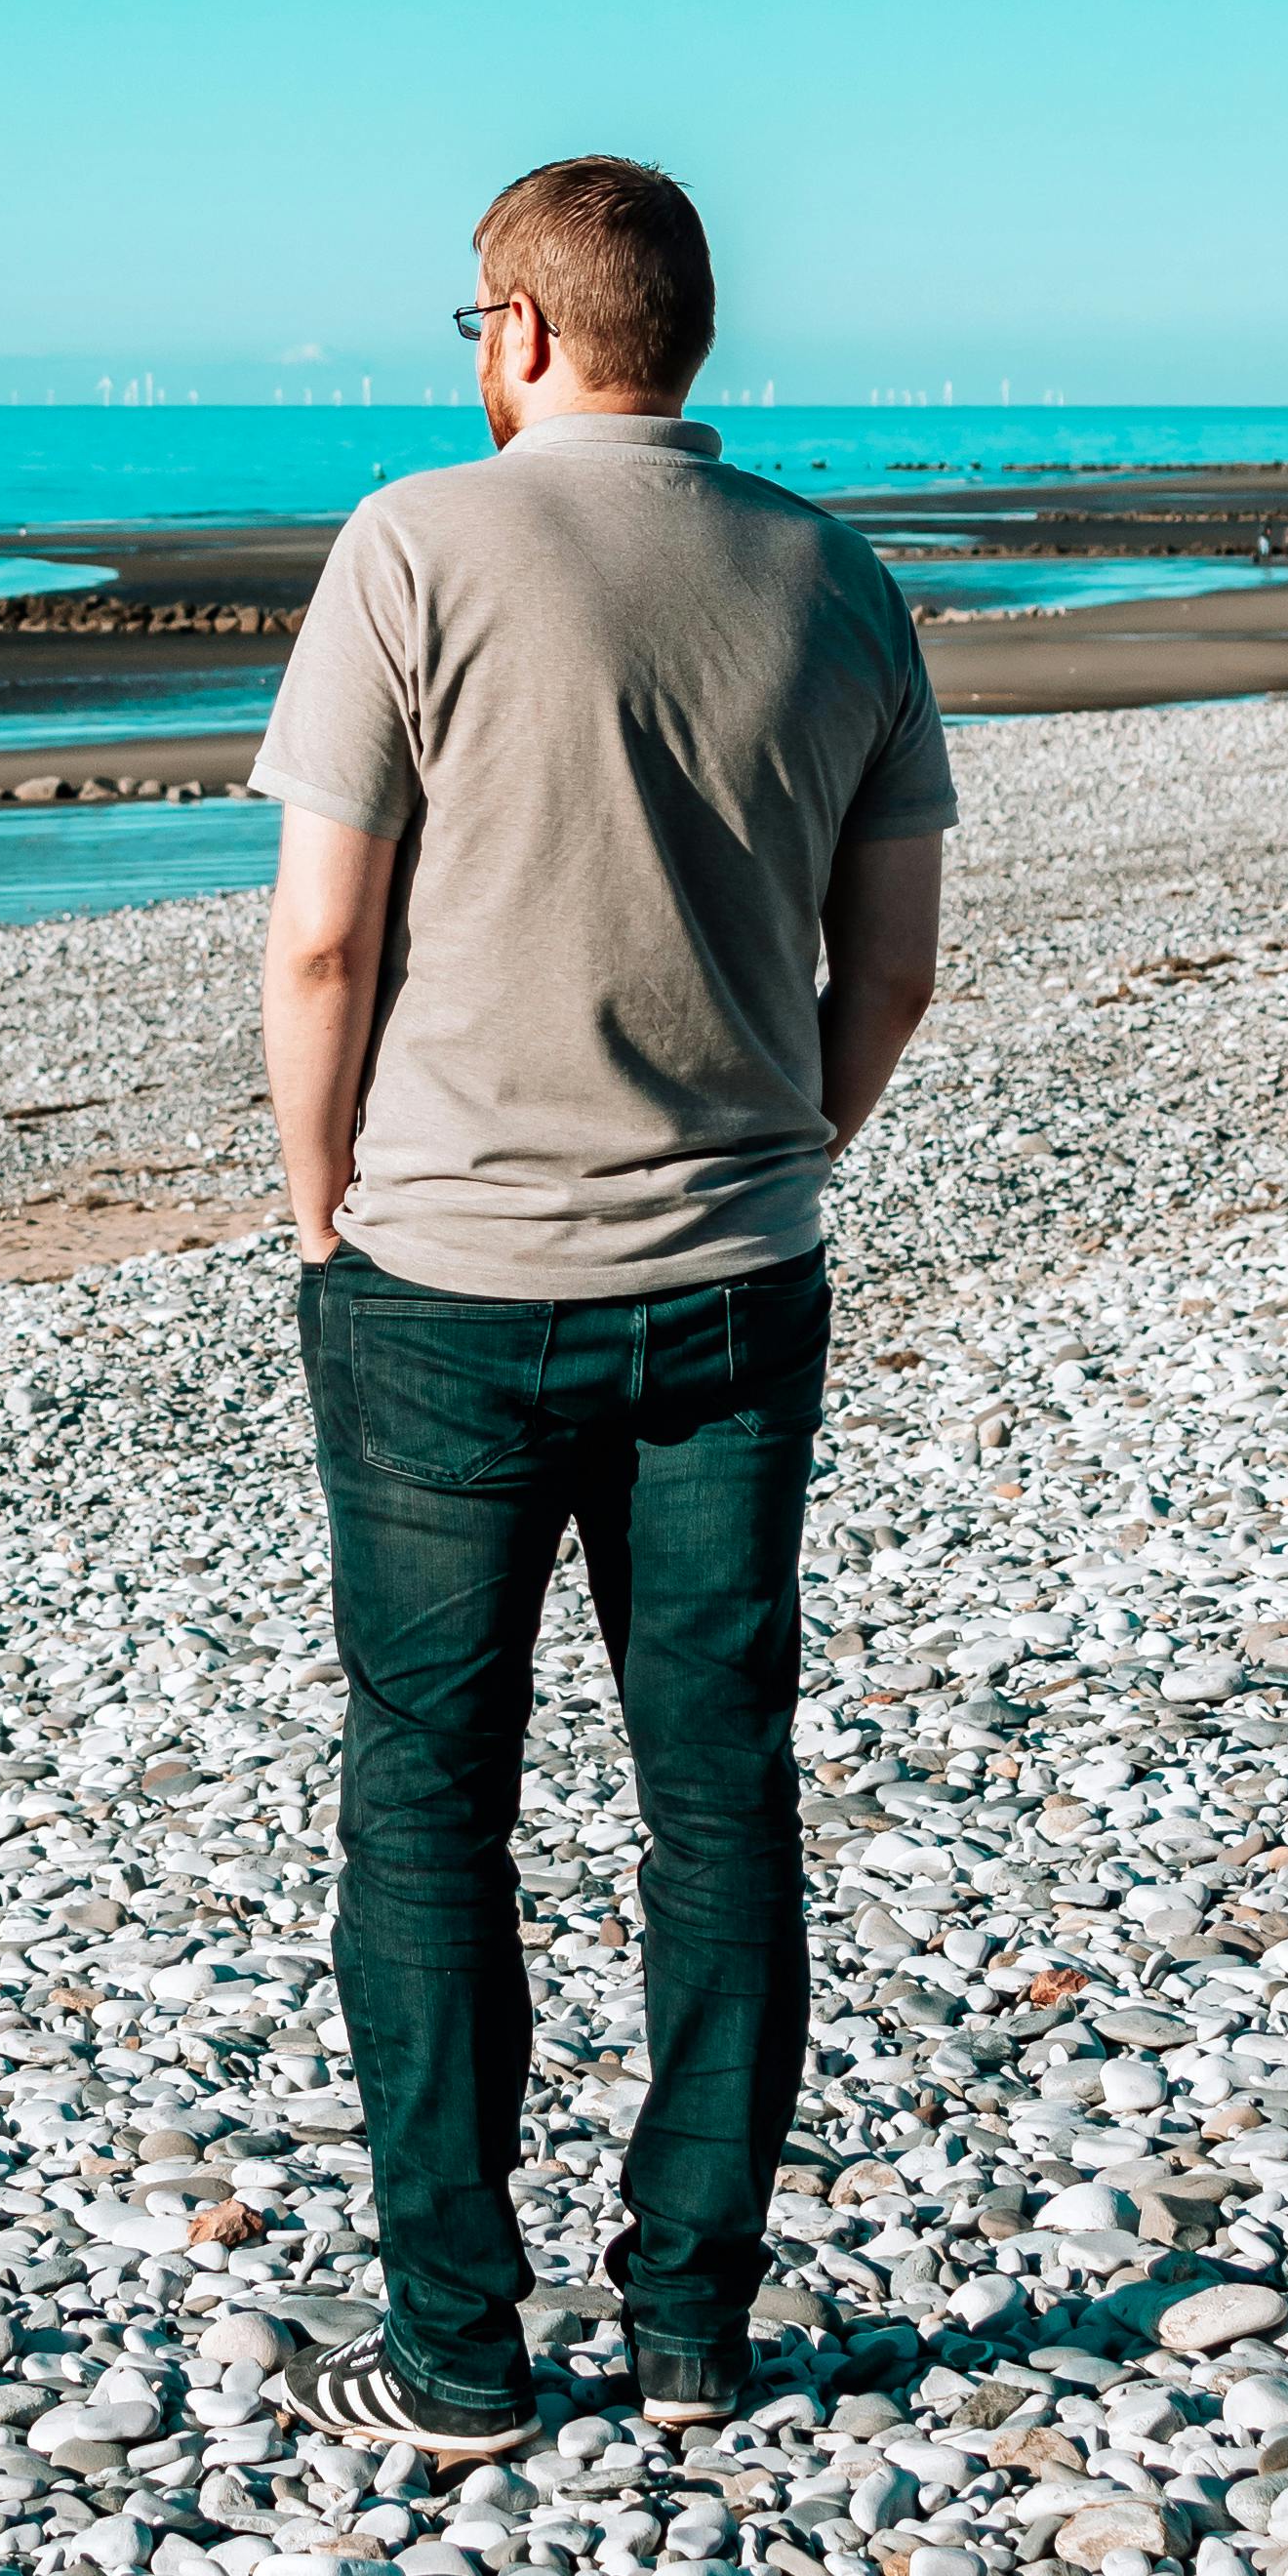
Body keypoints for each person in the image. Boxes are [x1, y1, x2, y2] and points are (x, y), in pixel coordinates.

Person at [247, 153, 952, 2458]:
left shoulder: (412, 545)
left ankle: (456, 2351)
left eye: (474, 317)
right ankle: (686, 2332)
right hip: (736, 1277)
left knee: (427, 1810)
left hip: (441, 1281)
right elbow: (892, 966)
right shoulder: (832, 576)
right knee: (716, 1803)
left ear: (525, 330)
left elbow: (323, 941)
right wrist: (782, 1151)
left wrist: (320, 1202)